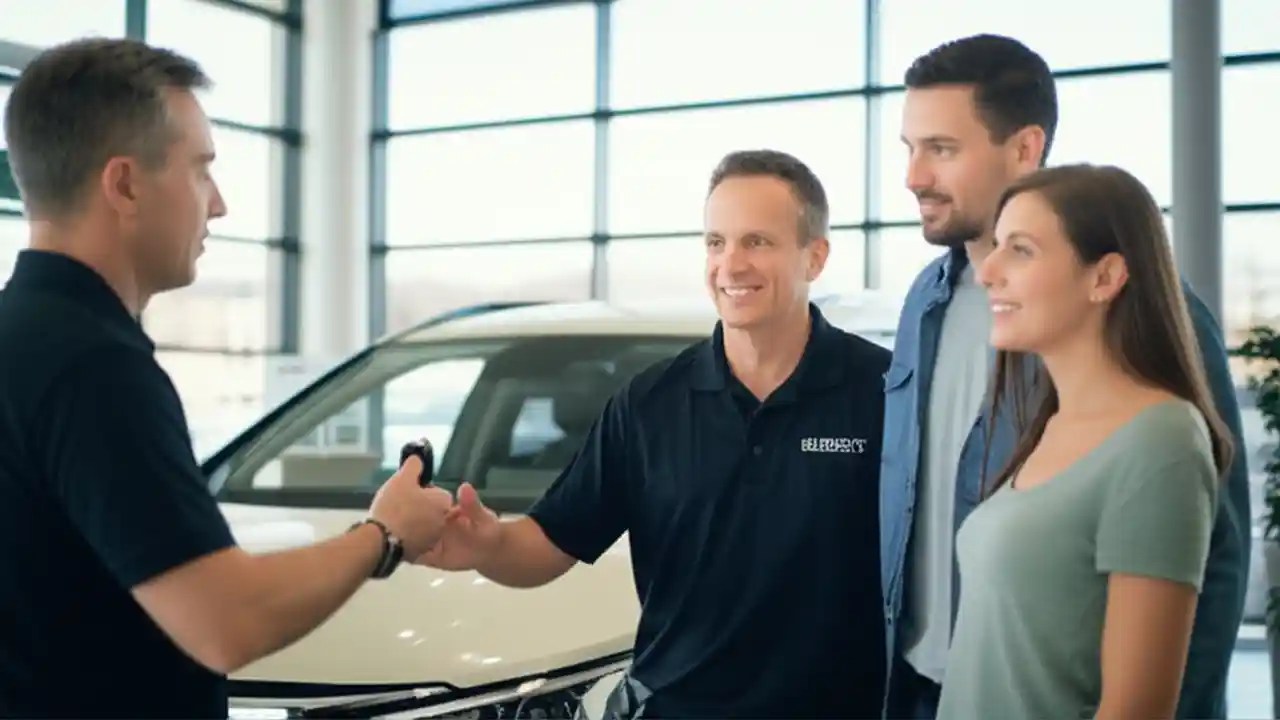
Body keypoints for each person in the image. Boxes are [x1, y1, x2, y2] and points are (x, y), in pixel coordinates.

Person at [0, 38, 455, 718]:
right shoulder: (94, 368)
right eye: (200, 170)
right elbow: (227, 619)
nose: (218, 204)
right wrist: (384, 534)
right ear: (123, 184)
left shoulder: (20, 336)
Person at [415, 149, 891, 718]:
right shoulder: (650, 403)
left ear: (815, 256)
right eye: (716, 242)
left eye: (757, 242)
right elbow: (550, 542)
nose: (730, 265)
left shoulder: (883, 391)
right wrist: (487, 546)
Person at [879, 33, 1251, 719]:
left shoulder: (1137, 312)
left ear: (1024, 148)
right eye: (909, 148)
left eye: (942, 148)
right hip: (927, 687)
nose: (914, 176)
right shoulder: (920, 305)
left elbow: (1211, 561)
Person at [938, 162, 1232, 718]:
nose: (988, 271)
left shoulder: (1160, 442)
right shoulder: (1048, 424)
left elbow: (1135, 710)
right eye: (996, 245)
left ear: (1104, 277)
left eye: (1020, 250)